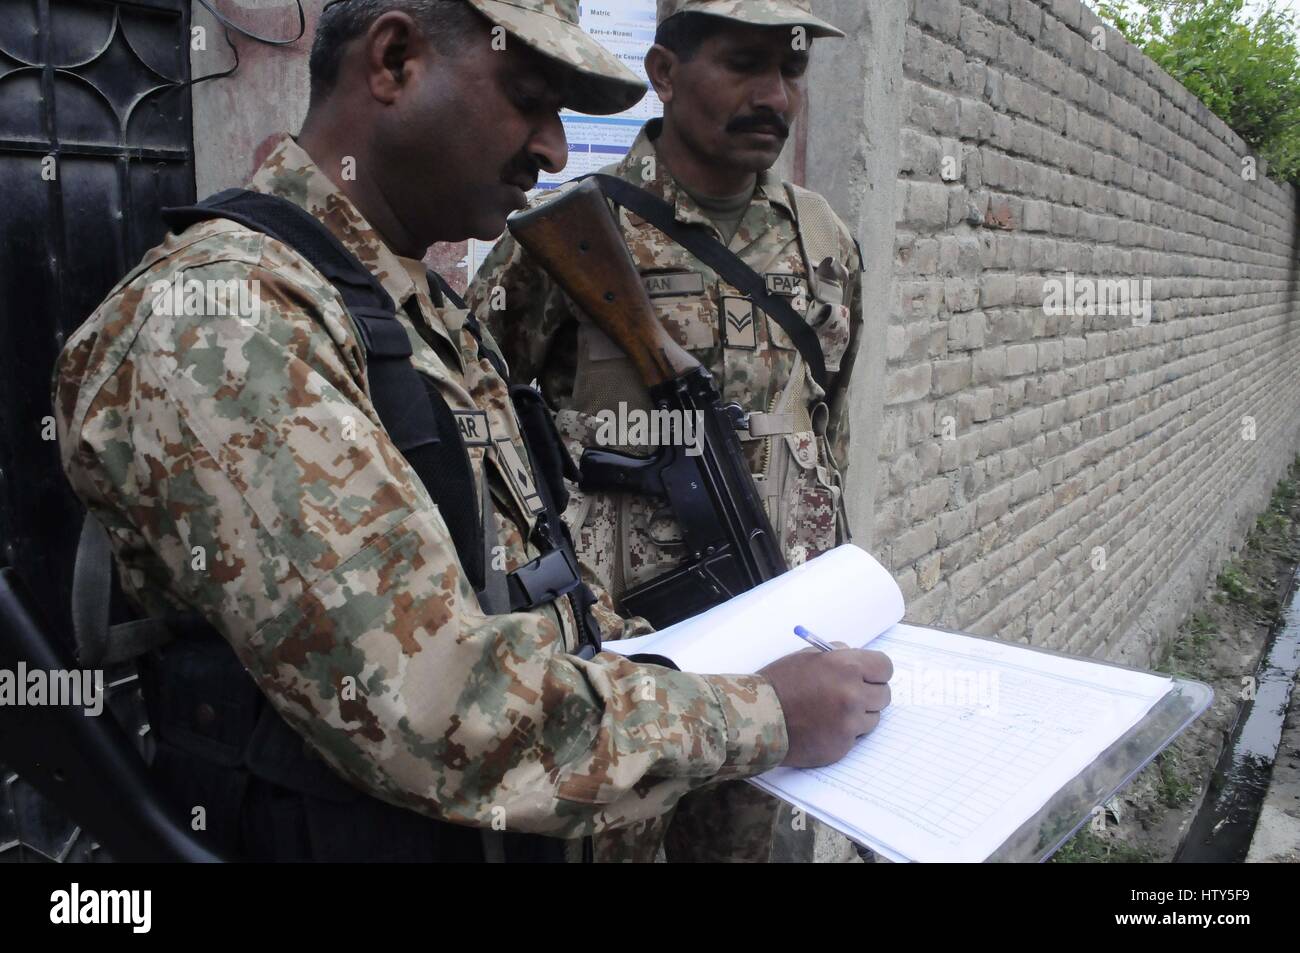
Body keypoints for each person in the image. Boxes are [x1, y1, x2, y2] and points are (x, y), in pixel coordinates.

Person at [52, 0, 889, 862]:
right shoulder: (232, 323)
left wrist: (681, 670)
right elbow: (437, 707)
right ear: (394, 59)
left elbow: (539, 588)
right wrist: (763, 713)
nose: (555, 150)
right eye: (529, 100)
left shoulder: (413, 307)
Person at [467, 0, 864, 862]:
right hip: (627, 657)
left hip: (779, 628)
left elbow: (828, 419)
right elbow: (476, 418)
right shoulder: (574, 231)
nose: (775, 95)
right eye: (742, 64)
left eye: (790, 71)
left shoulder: (825, 238)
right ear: (664, 73)